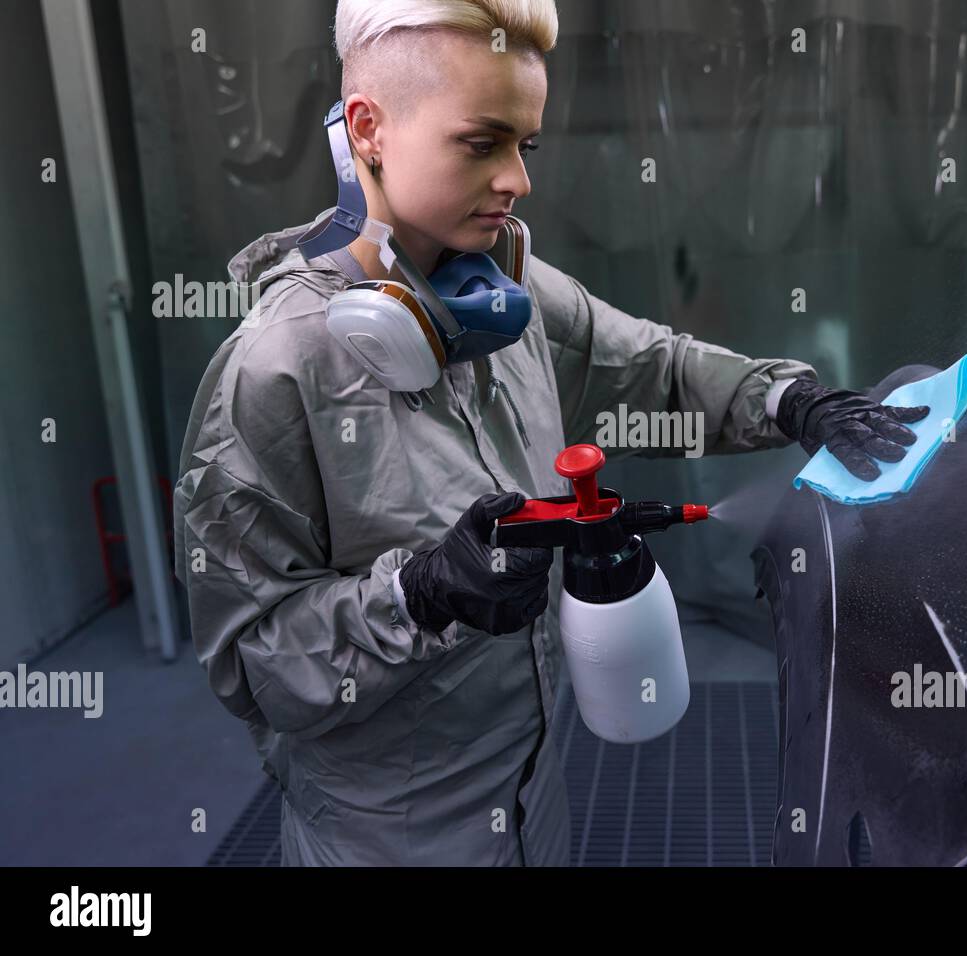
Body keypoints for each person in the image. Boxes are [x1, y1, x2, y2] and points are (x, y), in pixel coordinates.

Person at [173, 0, 928, 866]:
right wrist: (418, 595)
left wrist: (794, 402)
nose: (518, 181)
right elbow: (248, 665)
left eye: (524, 146)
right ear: (370, 128)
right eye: (482, 141)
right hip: (390, 839)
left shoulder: (502, 301)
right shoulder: (274, 368)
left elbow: (660, 370)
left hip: (535, 799)